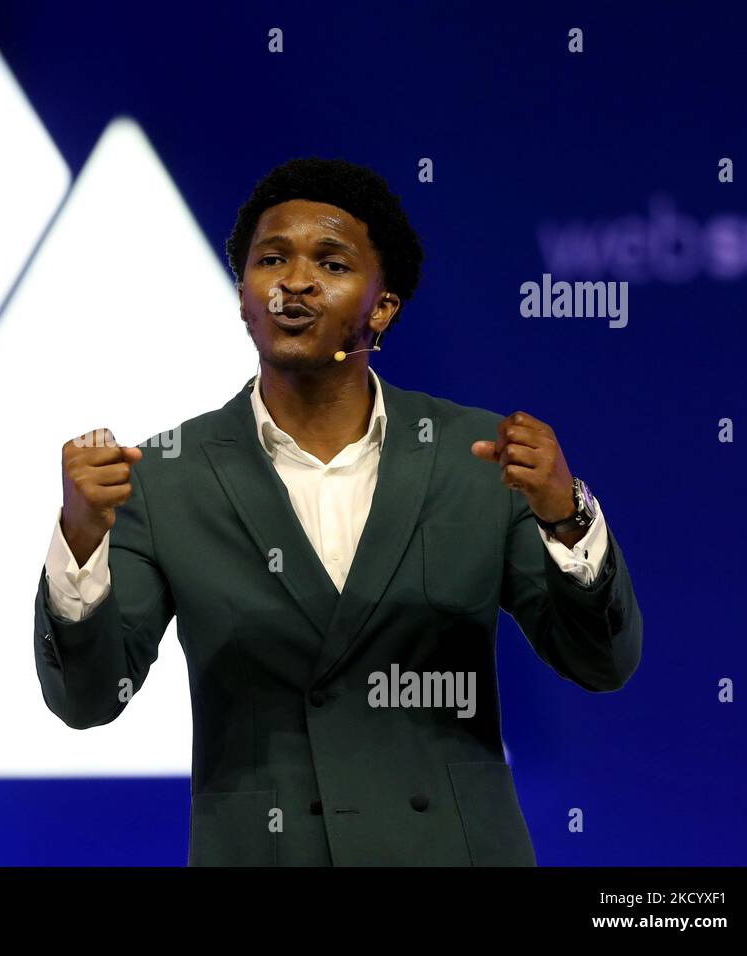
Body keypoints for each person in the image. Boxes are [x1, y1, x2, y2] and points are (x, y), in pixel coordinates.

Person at [32, 157, 642, 866]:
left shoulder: (478, 459)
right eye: (271, 259)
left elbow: (601, 664)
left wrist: (566, 516)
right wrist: (80, 541)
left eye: (331, 262)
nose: (295, 281)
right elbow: (89, 700)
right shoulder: (164, 476)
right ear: (243, 295)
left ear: (382, 306)